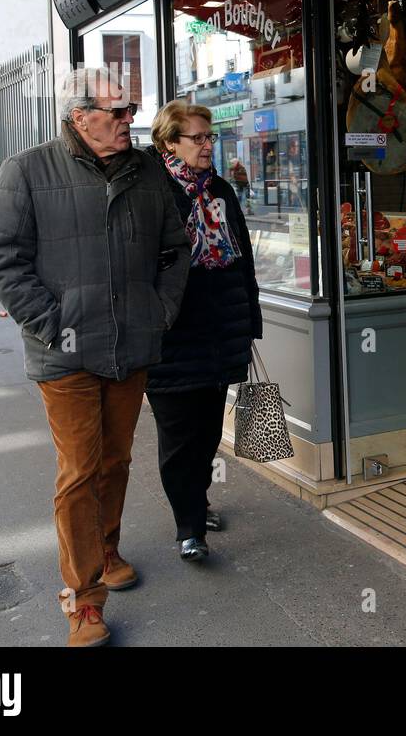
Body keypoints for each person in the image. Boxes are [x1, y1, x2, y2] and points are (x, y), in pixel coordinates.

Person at [0, 69, 190, 647]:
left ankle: (107, 548)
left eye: (131, 112)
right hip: (64, 352)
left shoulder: (147, 168)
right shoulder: (26, 170)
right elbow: (1, 262)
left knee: (116, 460)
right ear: (80, 117)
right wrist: (54, 325)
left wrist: (159, 310)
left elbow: (176, 248)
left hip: (130, 345)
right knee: (79, 470)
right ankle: (84, 598)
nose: (130, 122)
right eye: (118, 113)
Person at [144, 102, 262, 562]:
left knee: (209, 432)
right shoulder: (153, 192)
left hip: (218, 333)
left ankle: (199, 502)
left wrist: (249, 321)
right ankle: (188, 528)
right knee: (178, 438)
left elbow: (244, 260)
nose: (207, 145)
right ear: (169, 142)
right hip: (172, 337)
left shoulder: (221, 191)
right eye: (197, 138)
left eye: (210, 137)